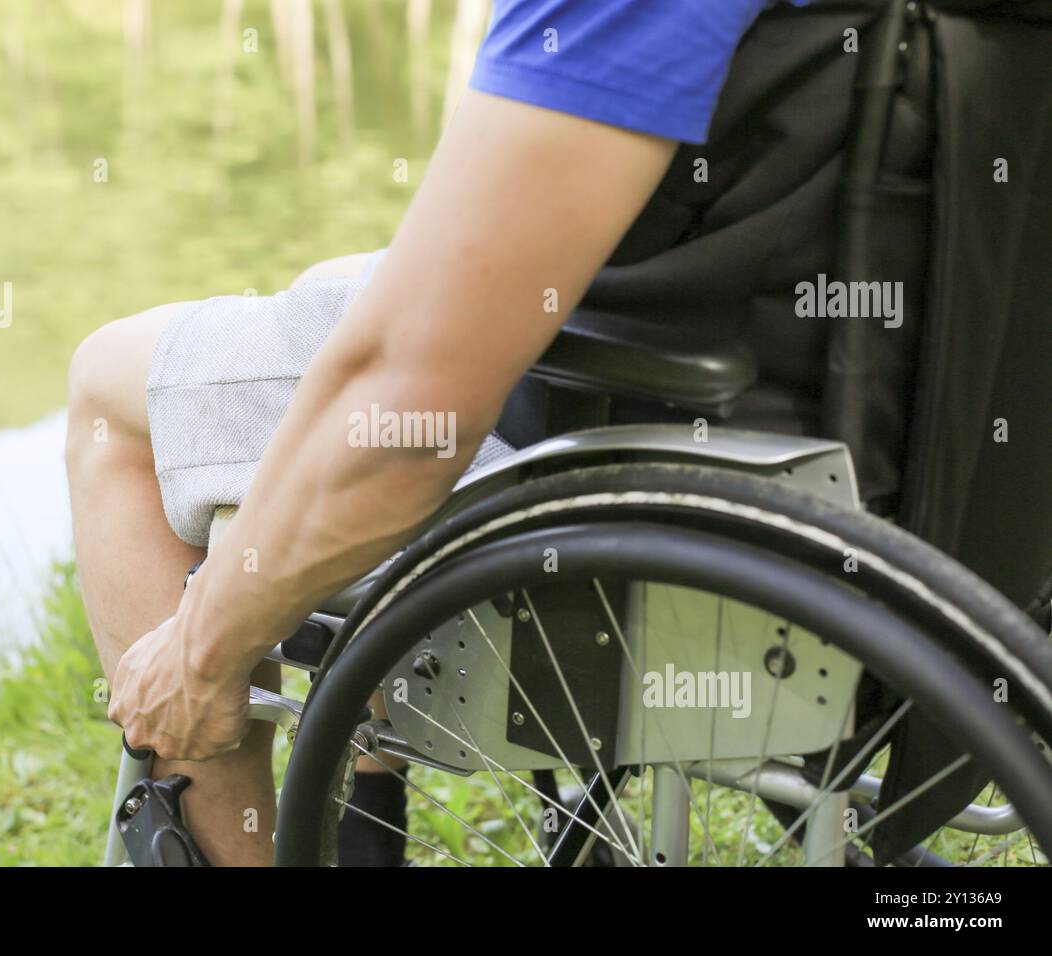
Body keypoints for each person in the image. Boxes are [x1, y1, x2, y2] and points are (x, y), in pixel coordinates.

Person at [66, 0, 815, 866]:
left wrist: (201, 653)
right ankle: (369, 809)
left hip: (629, 450)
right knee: (335, 285)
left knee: (108, 392)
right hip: (826, 437)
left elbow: (412, 413)